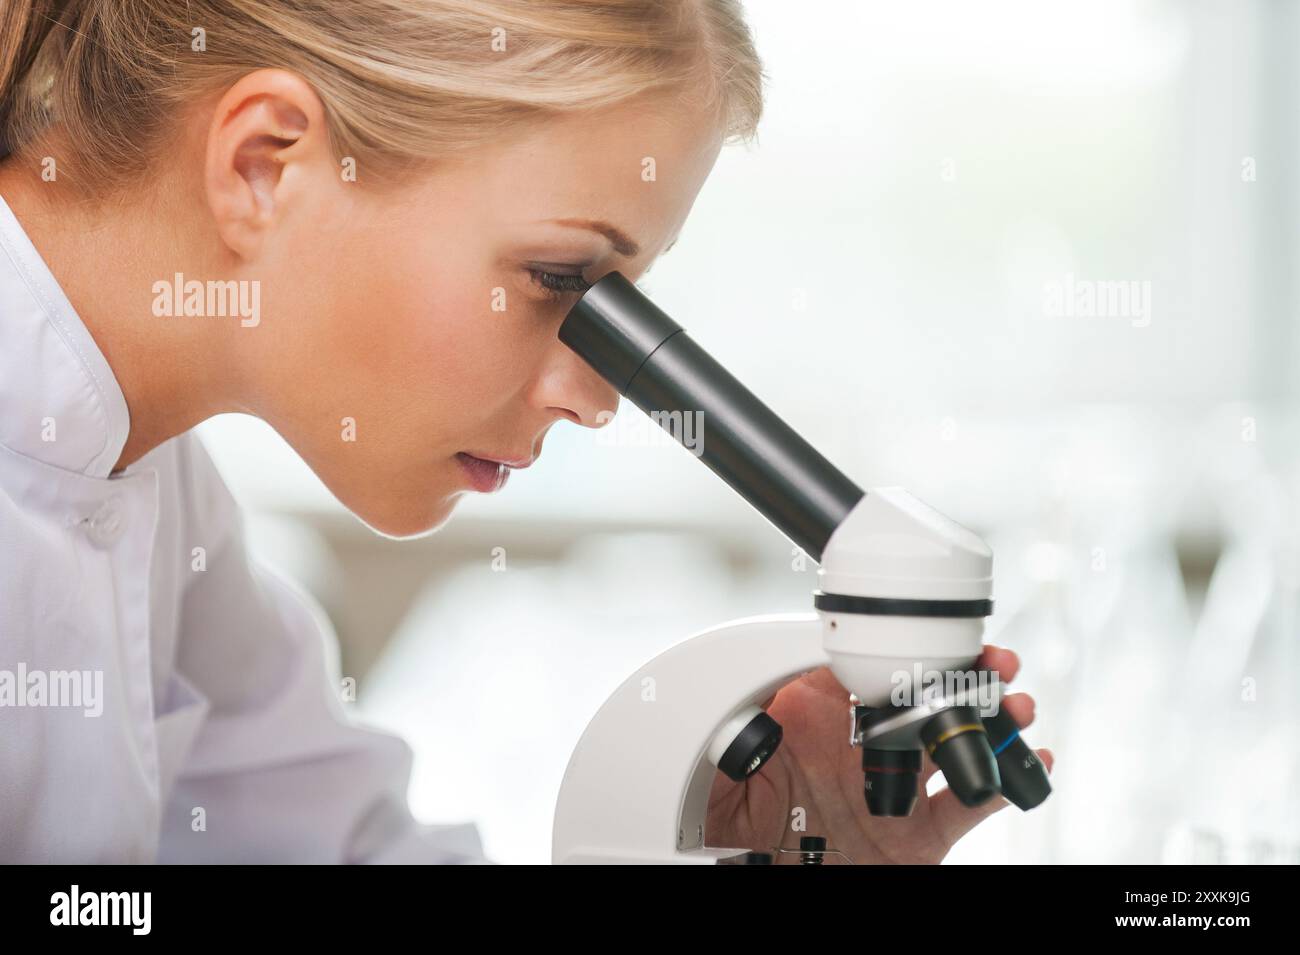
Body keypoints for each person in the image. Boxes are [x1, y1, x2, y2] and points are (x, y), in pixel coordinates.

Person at [0, 0, 1050, 863]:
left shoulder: (146, 475)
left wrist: (736, 849)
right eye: (559, 280)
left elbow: (341, 849)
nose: (598, 399)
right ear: (265, 167)